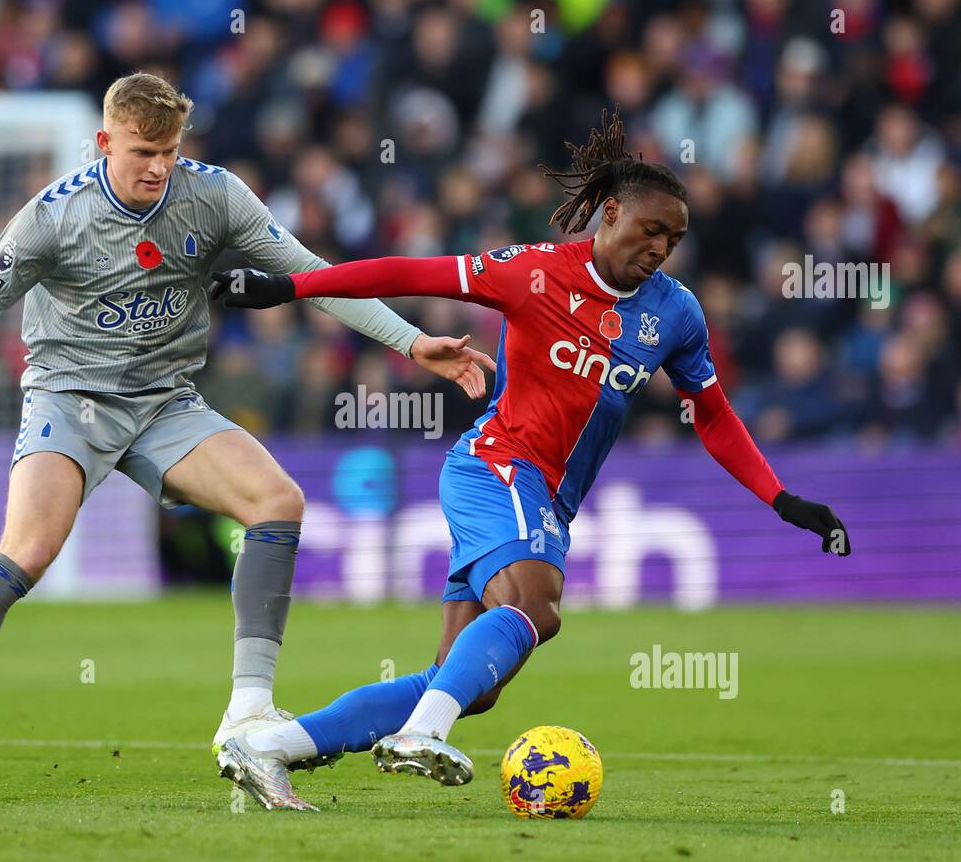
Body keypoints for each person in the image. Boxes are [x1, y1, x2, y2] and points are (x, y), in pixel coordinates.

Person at [0, 72, 493, 805]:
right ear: (104, 143)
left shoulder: (214, 196)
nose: (158, 165)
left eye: (168, 150)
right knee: (27, 551)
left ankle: (247, 710)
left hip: (165, 404)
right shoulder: (52, 218)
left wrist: (413, 343)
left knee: (277, 502)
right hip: (72, 399)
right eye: (141, 151)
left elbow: (315, 276)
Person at [209, 109, 851, 811]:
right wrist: (289, 287)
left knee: (467, 683)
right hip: (499, 465)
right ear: (610, 214)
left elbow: (715, 415)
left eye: (675, 237)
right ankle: (422, 735)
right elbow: (408, 271)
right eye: (650, 229)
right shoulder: (534, 272)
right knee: (537, 609)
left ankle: (269, 747)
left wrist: (781, 499)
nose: (662, 247)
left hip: (544, 497)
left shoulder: (676, 314)